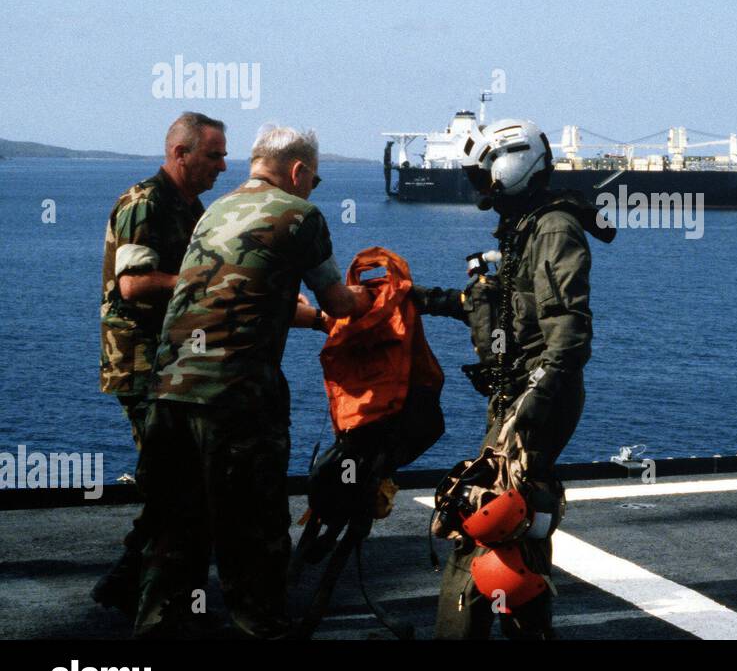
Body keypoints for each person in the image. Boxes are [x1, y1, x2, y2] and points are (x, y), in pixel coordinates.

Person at [133, 124, 371, 638]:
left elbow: (238, 295)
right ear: (298, 171)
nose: (313, 188)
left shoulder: (213, 212)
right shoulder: (300, 215)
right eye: (315, 178)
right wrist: (376, 298)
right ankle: (259, 626)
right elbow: (338, 302)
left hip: (170, 392)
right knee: (252, 529)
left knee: (174, 528)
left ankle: (158, 629)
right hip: (237, 396)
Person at [413, 118, 614, 639]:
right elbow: (501, 307)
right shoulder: (527, 226)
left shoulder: (552, 229)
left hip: (537, 393)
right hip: (525, 391)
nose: (482, 190)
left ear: (513, 167)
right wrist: (424, 300)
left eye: (485, 177)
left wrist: (532, 401)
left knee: (487, 515)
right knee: (514, 521)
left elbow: (568, 331)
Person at [93, 112, 228, 615]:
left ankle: (138, 579)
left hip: (174, 362)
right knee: (174, 477)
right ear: (181, 154)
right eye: (213, 155)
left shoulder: (190, 206)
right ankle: (144, 585)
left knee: (179, 474)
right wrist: (215, 283)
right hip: (142, 362)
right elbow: (135, 284)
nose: (223, 165)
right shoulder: (144, 203)